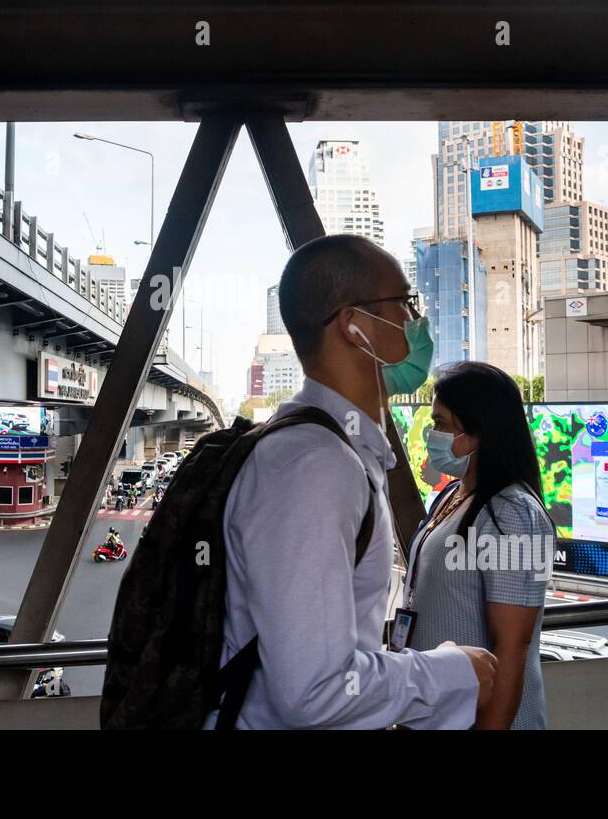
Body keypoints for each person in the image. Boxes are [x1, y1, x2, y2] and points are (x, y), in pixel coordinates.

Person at [208, 233, 495, 729]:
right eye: (405, 302)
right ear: (355, 327)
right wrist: (454, 673)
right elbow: (313, 690)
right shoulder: (314, 464)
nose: (417, 321)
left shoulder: (332, 448)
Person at [404, 362, 556, 729]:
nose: (431, 434)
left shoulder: (514, 515)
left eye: (441, 423)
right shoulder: (452, 497)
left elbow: (512, 648)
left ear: (476, 433)